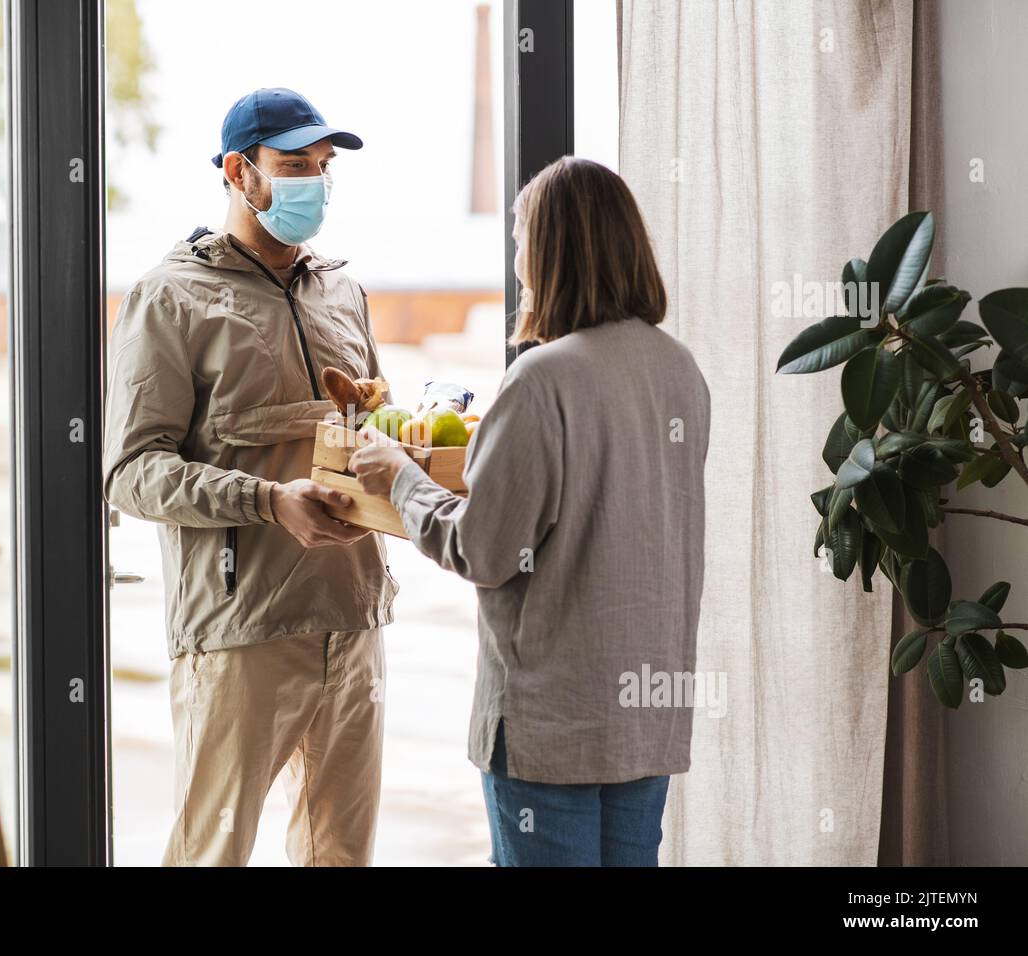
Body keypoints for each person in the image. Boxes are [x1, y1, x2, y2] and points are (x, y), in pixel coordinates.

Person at [349, 157, 710, 867]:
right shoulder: (679, 369)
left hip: (553, 722)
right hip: (647, 713)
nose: (516, 258)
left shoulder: (541, 378)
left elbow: (482, 549)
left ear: (549, 251)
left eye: (520, 238)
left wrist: (399, 478)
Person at [103, 88, 397, 866]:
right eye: (294, 165)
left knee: (342, 855)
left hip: (353, 615)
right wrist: (268, 502)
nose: (316, 184)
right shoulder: (169, 297)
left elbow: (370, 430)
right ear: (240, 172)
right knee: (213, 855)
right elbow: (131, 473)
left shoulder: (343, 290)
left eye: (324, 167)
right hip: (241, 633)